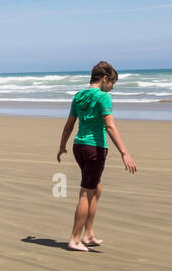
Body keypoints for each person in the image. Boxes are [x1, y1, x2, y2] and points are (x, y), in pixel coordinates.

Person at [56, 61, 136, 251]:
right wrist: (125, 152)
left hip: (79, 147)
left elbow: (69, 125)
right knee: (86, 191)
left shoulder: (78, 96)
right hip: (94, 149)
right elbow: (109, 126)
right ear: (105, 78)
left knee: (95, 188)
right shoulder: (102, 97)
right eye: (112, 84)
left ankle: (89, 234)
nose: (112, 89)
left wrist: (62, 146)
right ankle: (75, 239)